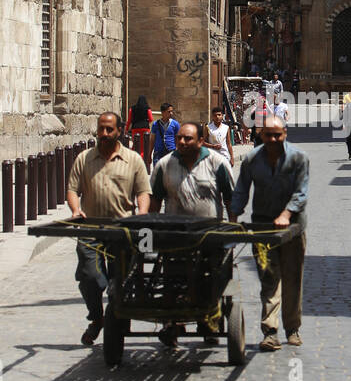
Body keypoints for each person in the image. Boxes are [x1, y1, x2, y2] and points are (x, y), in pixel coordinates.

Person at [66, 112, 151, 346]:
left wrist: (141, 214)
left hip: (122, 230)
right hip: (91, 229)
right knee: (90, 275)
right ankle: (96, 318)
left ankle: (119, 318)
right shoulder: (84, 159)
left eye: (109, 130)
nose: (104, 134)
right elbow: (73, 190)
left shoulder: (133, 160)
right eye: (101, 129)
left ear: (119, 131)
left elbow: (143, 192)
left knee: (121, 280)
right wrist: (75, 210)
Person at [150, 121, 236, 347]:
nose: (181, 142)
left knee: (208, 280)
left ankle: (209, 322)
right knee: (172, 280)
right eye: (179, 138)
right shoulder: (165, 165)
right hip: (174, 238)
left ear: (200, 141)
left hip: (209, 237)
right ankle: (173, 323)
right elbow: (155, 199)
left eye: (187, 138)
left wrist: (233, 231)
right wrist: (149, 228)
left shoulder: (217, 163)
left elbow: (230, 199)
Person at [231, 116, 309, 352]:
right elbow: (241, 189)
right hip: (263, 228)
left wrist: (286, 214)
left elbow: (301, 192)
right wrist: (233, 218)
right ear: (261, 135)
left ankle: (293, 328)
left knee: (292, 278)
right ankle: (270, 331)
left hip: (292, 228)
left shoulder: (298, 158)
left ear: (285, 133)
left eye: (278, 135)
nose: (273, 139)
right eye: (268, 135)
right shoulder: (252, 160)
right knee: (268, 277)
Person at [152, 102, 180, 166]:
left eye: (171, 111)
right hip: (158, 152)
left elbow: (177, 138)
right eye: (169, 112)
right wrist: (149, 154)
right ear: (163, 112)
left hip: (171, 152)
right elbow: (152, 139)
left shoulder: (175, 124)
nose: (171, 113)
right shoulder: (155, 124)